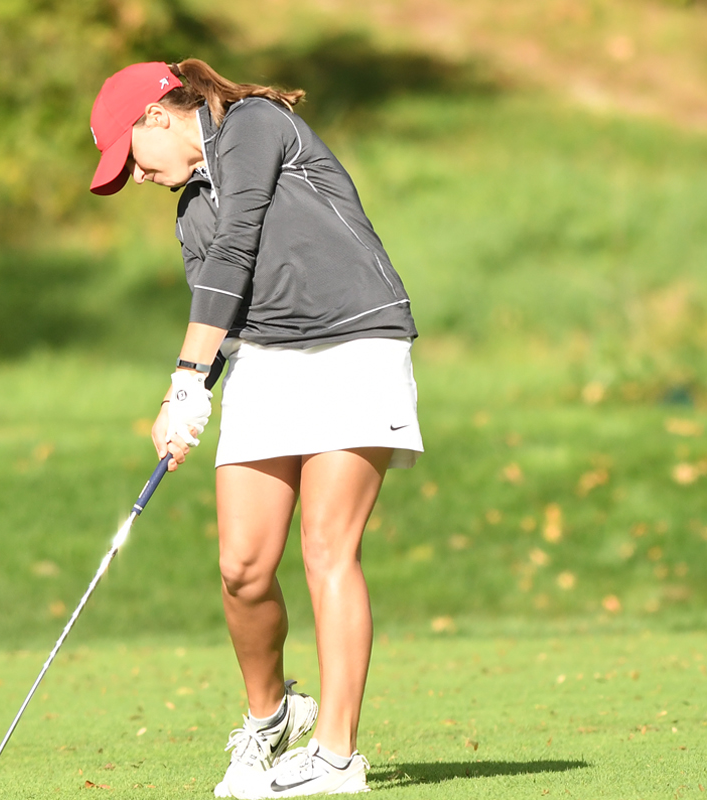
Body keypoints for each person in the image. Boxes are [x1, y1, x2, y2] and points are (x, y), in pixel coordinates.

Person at [85, 59, 422, 798]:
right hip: (267, 361)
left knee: (327, 549)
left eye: (130, 159)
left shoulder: (254, 125)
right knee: (242, 566)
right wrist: (189, 396)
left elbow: (239, 245)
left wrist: (182, 377)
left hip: (354, 343)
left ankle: (336, 758)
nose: (135, 177)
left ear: (158, 117)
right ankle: (272, 718)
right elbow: (222, 312)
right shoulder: (189, 209)